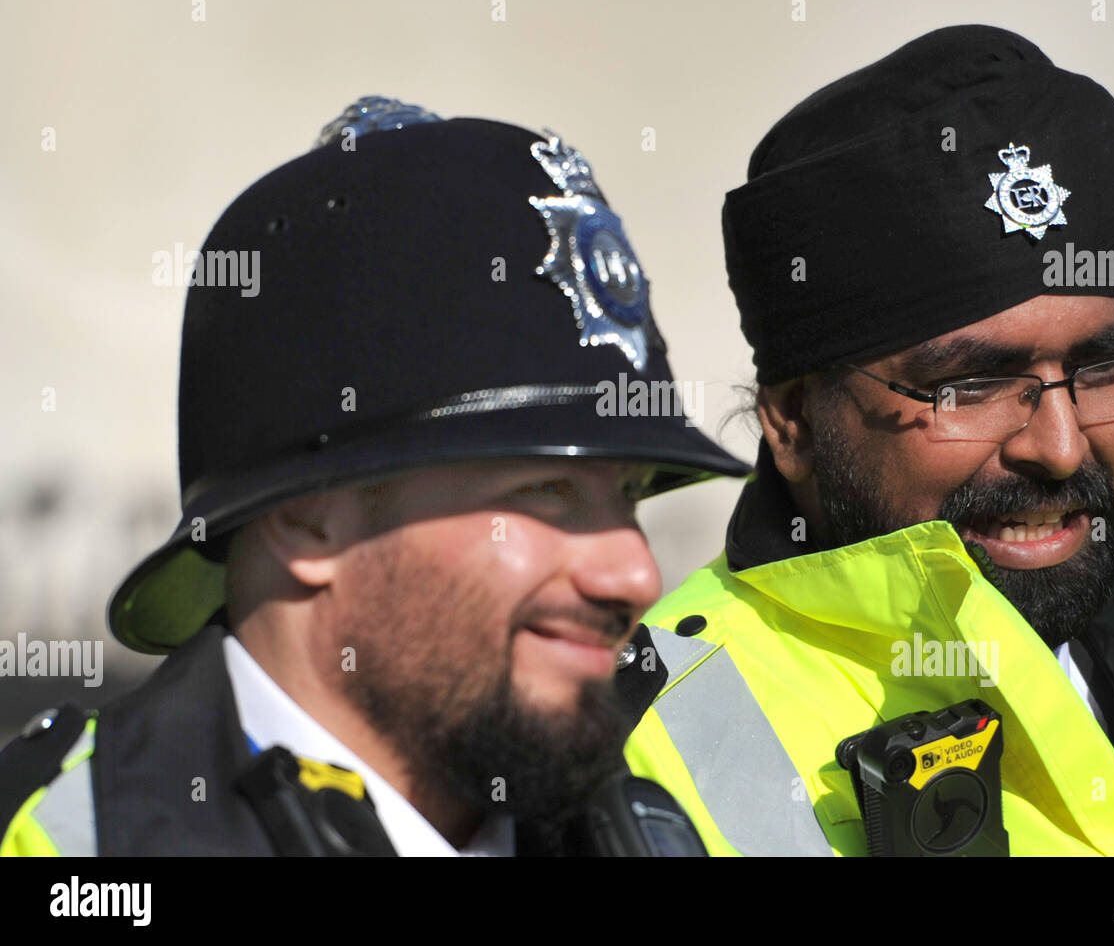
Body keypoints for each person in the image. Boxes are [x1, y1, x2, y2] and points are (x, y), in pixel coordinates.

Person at [0, 97, 747, 857]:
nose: (636, 573)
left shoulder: (646, 839)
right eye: (547, 491)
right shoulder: (72, 846)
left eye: (627, 494)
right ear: (308, 518)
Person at [621, 27, 1114, 856]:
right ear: (793, 421)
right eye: (973, 385)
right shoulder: (638, 747)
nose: (1063, 446)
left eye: (1104, 365)